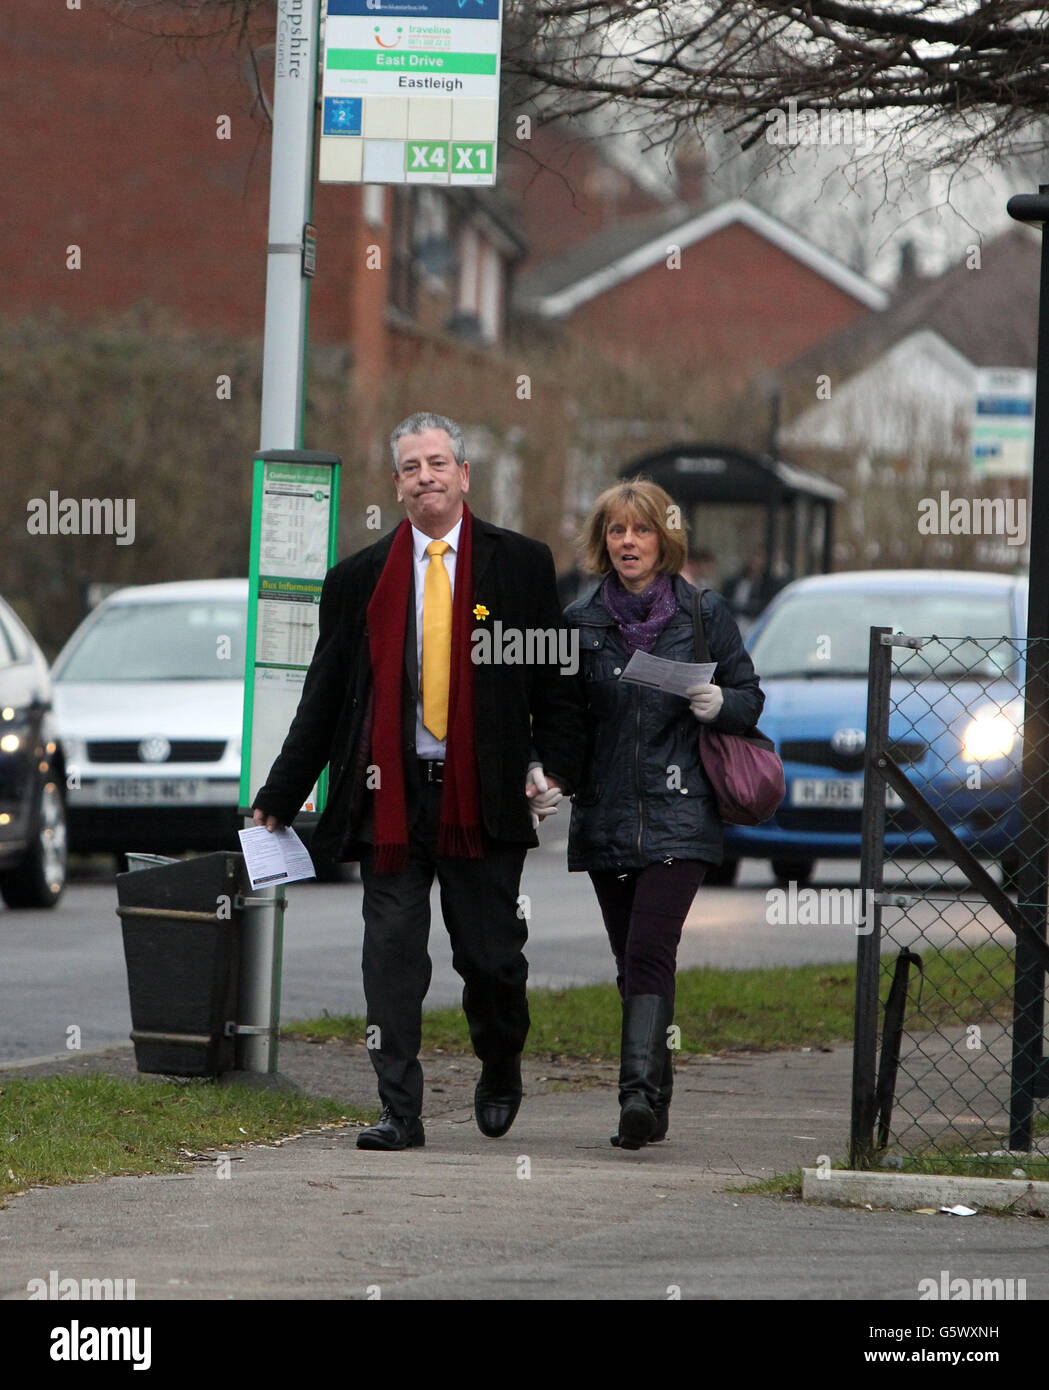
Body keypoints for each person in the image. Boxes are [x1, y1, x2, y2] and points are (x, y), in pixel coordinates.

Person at [253, 412, 585, 1150]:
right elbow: (324, 699)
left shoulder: (520, 565)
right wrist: (278, 799)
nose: (425, 476)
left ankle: (499, 1064)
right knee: (391, 961)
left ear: (464, 476)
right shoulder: (357, 581)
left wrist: (554, 766)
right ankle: (399, 1112)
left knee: (491, 958)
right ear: (396, 484)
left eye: (438, 463)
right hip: (389, 799)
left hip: (483, 798)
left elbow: (557, 683)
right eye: (410, 466)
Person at [564, 479, 765, 1151]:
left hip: (682, 814)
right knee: (631, 962)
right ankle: (657, 1093)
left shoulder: (702, 612)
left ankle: (636, 1097)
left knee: (651, 948)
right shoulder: (580, 622)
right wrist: (545, 772)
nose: (628, 542)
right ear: (603, 541)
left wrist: (720, 703)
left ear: (663, 539)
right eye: (617, 531)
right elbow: (563, 722)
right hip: (605, 814)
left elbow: (748, 695)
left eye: (641, 531)